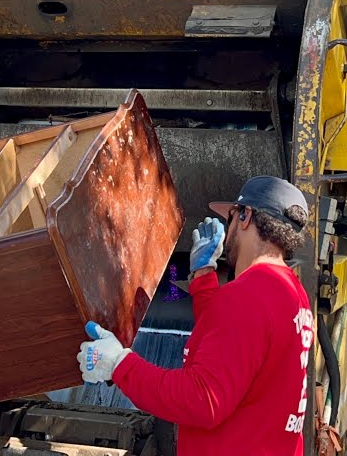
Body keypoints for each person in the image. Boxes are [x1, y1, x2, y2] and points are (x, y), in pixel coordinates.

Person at [78, 175, 314, 455]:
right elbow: (231, 347)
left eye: (231, 217)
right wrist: (202, 277)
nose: (228, 233)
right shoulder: (292, 294)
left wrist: (119, 365)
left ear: (245, 216)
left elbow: (204, 401)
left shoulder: (247, 296)